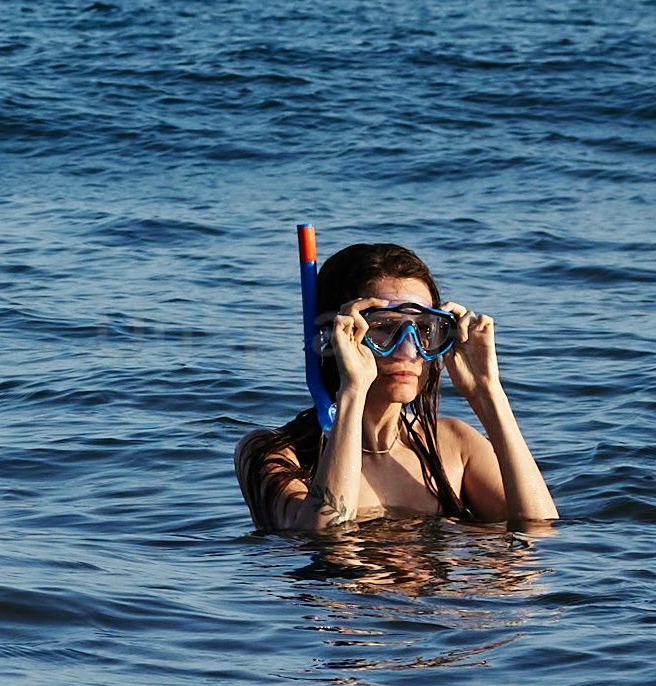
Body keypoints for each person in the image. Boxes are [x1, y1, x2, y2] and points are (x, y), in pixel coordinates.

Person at [233, 227, 552, 533]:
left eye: (425, 329)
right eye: (384, 328)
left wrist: (487, 392)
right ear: (338, 337)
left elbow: (538, 532)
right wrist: (353, 390)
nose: (409, 351)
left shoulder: (453, 447)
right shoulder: (274, 454)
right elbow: (327, 539)